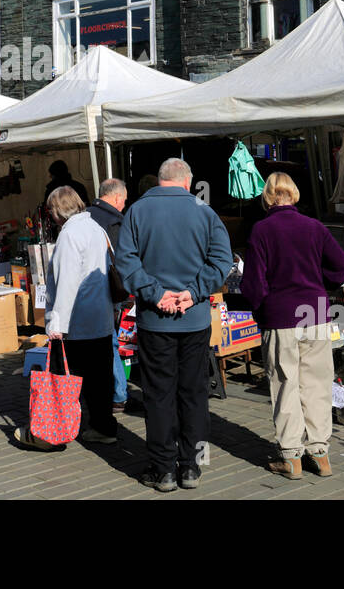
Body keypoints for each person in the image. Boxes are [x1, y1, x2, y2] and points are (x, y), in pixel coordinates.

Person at [114, 158, 232, 493]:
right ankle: (193, 466)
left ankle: (163, 468)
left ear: (161, 181)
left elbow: (125, 261)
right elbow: (222, 260)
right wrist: (192, 293)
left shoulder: (136, 211)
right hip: (193, 320)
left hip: (154, 321)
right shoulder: (204, 211)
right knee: (195, 393)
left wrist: (155, 294)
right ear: (186, 182)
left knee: (158, 394)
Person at [239, 172, 344, 480]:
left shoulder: (261, 230)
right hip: (314, 311)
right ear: (294, 194)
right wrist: (319, 284)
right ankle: (321, 452)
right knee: (316, 384)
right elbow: (342, 267)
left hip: (281, 316)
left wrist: (261, 307)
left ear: (268, 197)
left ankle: (291, 457)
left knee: (285, 383)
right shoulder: (314, 227)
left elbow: (253, 283)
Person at [15, 185, 118, 450]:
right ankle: (103, 427)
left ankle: (52, 432)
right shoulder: (96, 228)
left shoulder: (70, 235)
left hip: (77, 322)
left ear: (57, 211)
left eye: (50, 210)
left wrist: (56, 323)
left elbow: (66, 282)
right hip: (101, 317)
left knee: (62, 381)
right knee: (100, 378)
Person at [87, 178, 130, 413]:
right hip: (108, 291)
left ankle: (109, 392)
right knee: (110, 342)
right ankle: (119, 394)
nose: (124, 204)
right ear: (115, 198)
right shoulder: (115, 222)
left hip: (86, 291)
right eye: (123, 200)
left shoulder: (85, 216)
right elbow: (121, 261)